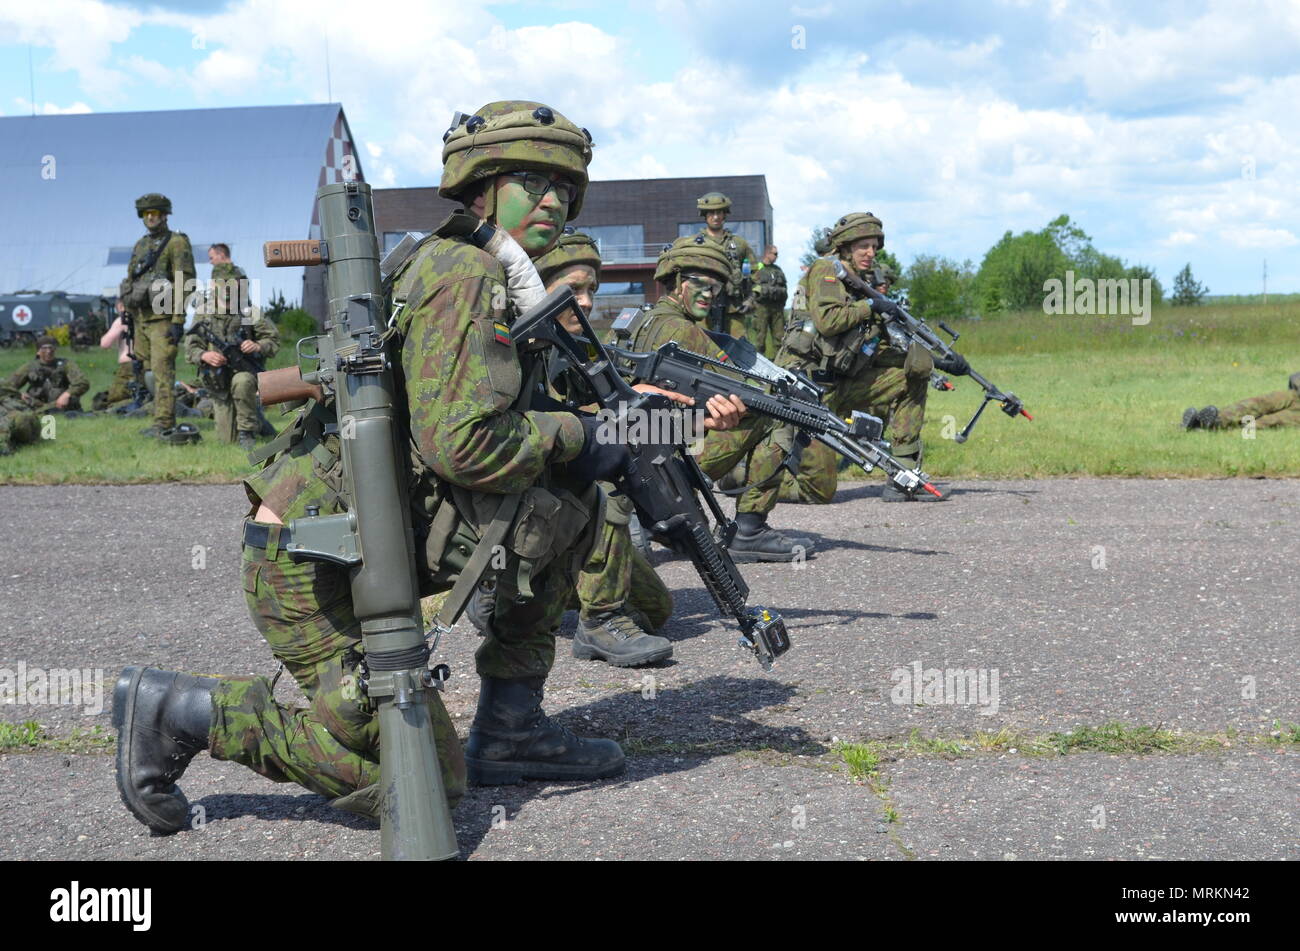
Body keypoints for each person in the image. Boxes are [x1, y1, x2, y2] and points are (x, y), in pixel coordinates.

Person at [112, 101, 745, 838]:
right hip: (314, 562)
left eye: (564, 187)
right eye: (531, 181)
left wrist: (650, 412)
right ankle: (181, 710)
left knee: (577, 498)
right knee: (424, 784)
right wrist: (585, 431)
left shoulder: (490, 273)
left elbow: (530, 409)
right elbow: (465, 446)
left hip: (370, 536)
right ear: (481, 185)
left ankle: (512, 730)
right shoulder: (466, 273)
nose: (553, 199)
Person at [525, 230, 676, 667]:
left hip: (555, 493)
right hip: (514, 493)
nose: (587, 302)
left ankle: (525, 594)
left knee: (655, 610)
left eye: (592, 289)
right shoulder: (507, 344)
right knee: (609, 487)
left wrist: (691, 414)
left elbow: (594, 407)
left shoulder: (576, 346)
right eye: (574, 290)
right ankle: (599, 621)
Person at [611, 236, 814, 561]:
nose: (709, 294)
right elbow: (742, 392)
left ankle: (645, 509)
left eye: (715, 287)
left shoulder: (635, 317)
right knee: (776, 414)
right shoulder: (685, 332)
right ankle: (750, 529)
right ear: (676, 281)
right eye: (700, 284)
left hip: (621, 445)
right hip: (655, 455)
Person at [776, 213, 950, 503]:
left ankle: (903, 475)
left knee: (912, 376)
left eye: (874, 247)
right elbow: (828, 322)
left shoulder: (861, 281)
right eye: (863, 247)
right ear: (845, 246)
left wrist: (939, 362)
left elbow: (877, 347)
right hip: (806, 391)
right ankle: (747, 476)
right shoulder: (826, 270)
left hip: (843, 384)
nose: (871, 253)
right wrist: (871, 305)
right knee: (818, 491)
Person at [184, 244, 279, 449]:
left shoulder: (248, 311)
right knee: (227, 441)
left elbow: (273, 341)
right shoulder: (204, 313)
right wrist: (205, 355)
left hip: (244, 374)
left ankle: (247, 432)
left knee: (243, 381)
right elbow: (190, 348)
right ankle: (258, 422)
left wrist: (257, 345)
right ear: (213, 285)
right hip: (217, 382)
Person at [116, 193, 195, 439]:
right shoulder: (140, 245)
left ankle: (164, 423)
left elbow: (185, 281)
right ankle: (157, 415)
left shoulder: (176, 242)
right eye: (147, 214)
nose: (151, 218)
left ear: (165, 215)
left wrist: (178, 320)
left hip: (163, 319)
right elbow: (132, 279)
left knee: (162, 373)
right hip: (140, 319)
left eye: (156, 214)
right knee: (146, 373)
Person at [694, 192, 756, 339]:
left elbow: (755, 273)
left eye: (719, 212)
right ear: (705, 214)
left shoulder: (739, 244)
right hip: (703, 310)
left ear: (725, 214)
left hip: (733, 310)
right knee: (702, 351)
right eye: (711, 213)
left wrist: (751, 299)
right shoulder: (695, 244)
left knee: (740, 352)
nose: (716, 217)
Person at [1183, 372, 1300, 430]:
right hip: (1295, 394)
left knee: (1270, 421)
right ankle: (1215, 419)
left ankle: (1210, 426)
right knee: (1256, 403)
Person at [3, 335, 88, 412]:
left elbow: (82, 383)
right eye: (44, 348)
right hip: (35, 406)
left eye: (51, 348)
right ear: (38, 352)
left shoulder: (65, 364)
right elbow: (7, 386)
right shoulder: (30, 367)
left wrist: (67, 394)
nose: (48, 351)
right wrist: (19, 394)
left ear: (55, 349)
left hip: (61, 406)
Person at [749, 244, 787, 359]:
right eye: (775, 254)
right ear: (767, 253)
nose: (777, 256)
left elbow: (784, 287)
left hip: (777, 309)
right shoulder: (758, 267)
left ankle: (779, 366)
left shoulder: (778, 270)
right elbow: (752, 287)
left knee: (780, 339)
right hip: (761, 308)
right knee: (759, 340)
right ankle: (759, 367)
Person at [0, 389, 39, 456]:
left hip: (29, 430)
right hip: (14, 430)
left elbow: (27, 415)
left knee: (16, 417)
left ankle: (5, 448)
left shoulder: (9, 401)